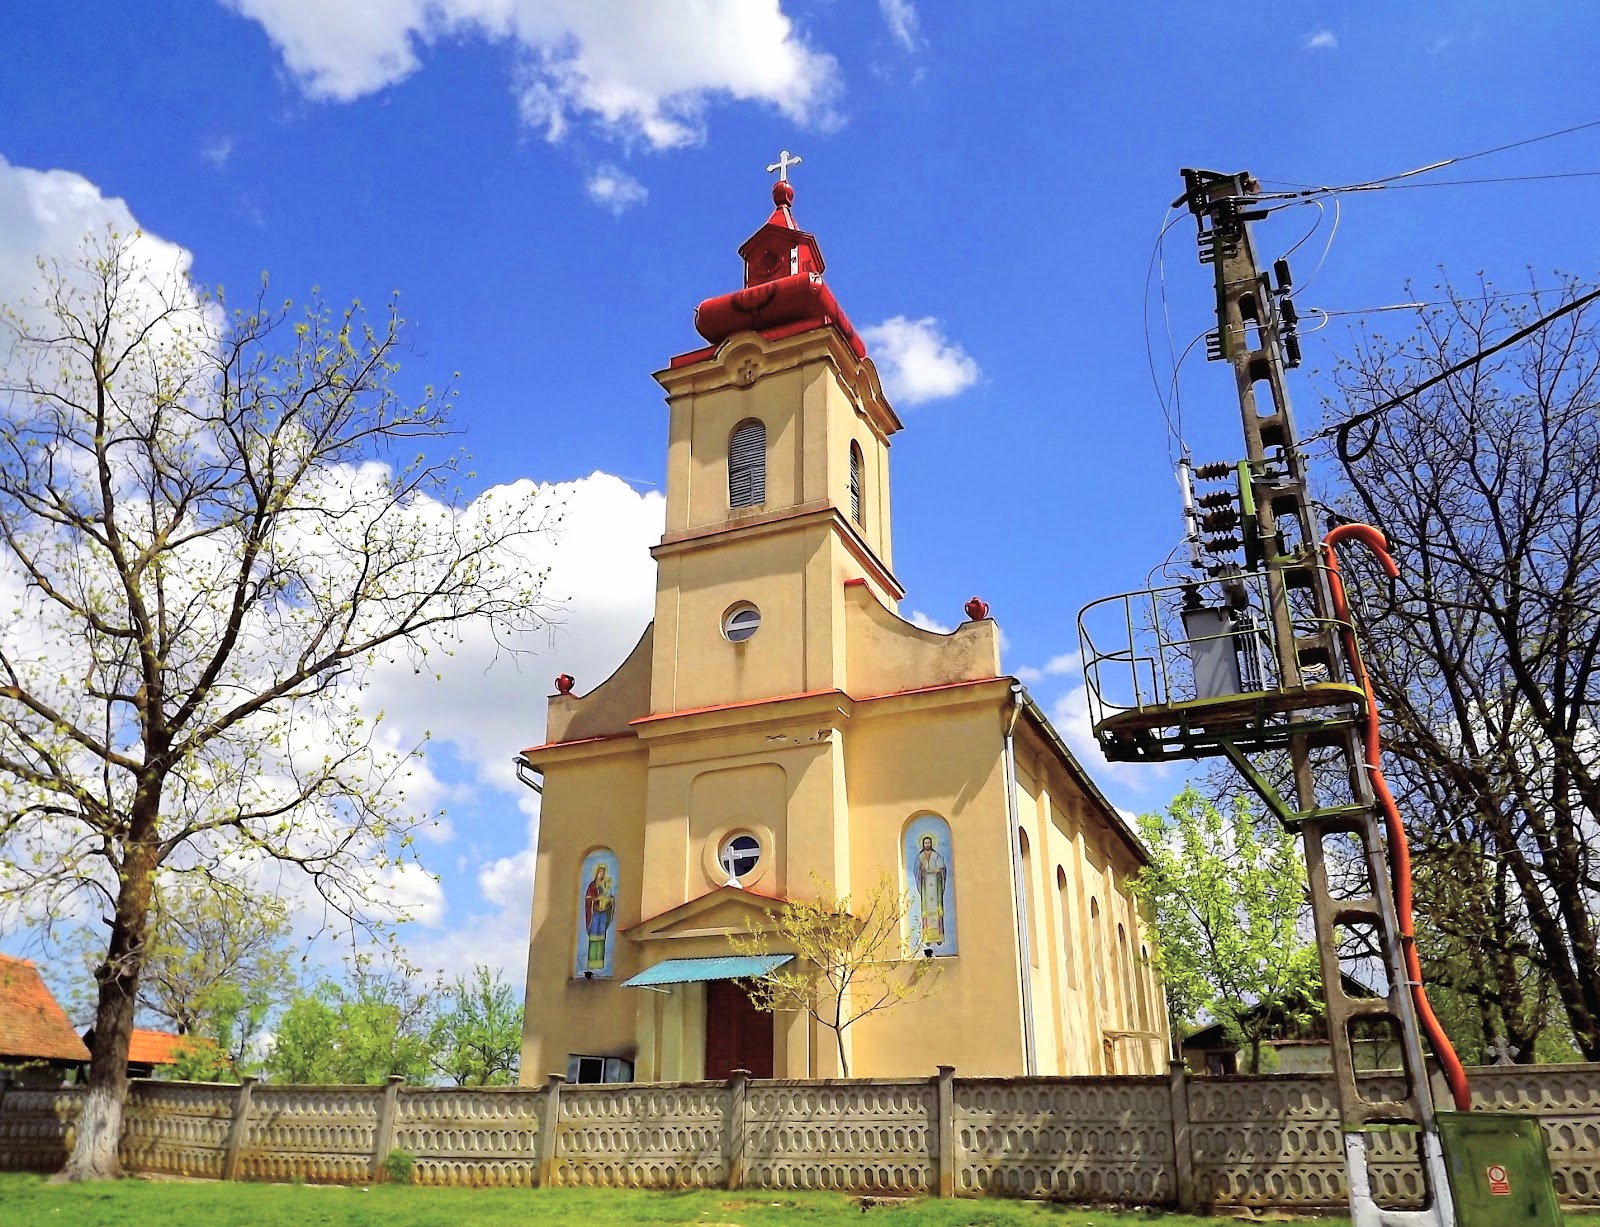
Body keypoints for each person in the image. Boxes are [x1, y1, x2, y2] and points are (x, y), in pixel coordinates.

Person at [915, 834, 947, 947]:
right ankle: (927, 937)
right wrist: (921, 870)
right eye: (925, 843)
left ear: (931, 844)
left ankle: (939, 937)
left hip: (935, 886)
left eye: (929, 843)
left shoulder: (936, 855)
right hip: (926, 886)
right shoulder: (920, 857)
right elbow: (916, 871)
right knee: (926, 911)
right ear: (923, 844)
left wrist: (940, 870)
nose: (927, 845)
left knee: (937, 910)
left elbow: (943, 868)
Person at [583, 862, 615, 971]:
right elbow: (588, 898)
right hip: (595, 913)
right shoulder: (592, 885)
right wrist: (596, 899)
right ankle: (592, 962)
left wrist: (610, 900)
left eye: (603, 873)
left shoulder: (604, 885)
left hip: (603, 913)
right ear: (596, 873)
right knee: (593, 937)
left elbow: (609, 895)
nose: (601, 875)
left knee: (602, 937)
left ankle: (600, 962)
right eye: (600, 873)